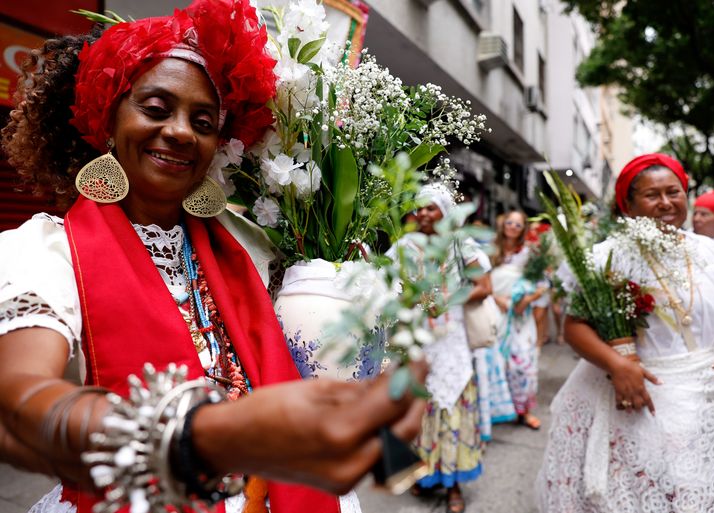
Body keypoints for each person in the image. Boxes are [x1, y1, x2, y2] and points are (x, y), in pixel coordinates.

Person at [0, 2, 425, 513]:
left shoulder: (249, 245)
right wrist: (198, 436)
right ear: (108, 120)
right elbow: (19, 404)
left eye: (203, 122)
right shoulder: (46, 249)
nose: (181, 131)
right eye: (156, 109)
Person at [537, 153, 714, 512]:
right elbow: (574, 326)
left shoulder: (709, 251)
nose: (665, 203)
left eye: (673, 192)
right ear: (628, 205)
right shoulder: (607, 257)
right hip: (640, 400)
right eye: (652, 195)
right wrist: (618, 365)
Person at [396, 184, 489, 513]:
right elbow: (392, 286)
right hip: (420, 339)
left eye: (431, 207)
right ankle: (424, 474)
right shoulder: (405, 246)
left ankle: (454, 485)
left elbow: (484, 286)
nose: (423, 213)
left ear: (445, 212)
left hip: (452, 340)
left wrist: (448, 300)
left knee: (453, 408)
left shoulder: (461, 243)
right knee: (421, 409)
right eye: (419, 207)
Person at [491, 210, 546, 430]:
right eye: (510, 222)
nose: (513, 227)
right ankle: (500, 408)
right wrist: (496, 299)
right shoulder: (491, 250)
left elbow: (542, 285)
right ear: (503, 223)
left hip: (520, 317)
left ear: (523, 229)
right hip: (494, 312)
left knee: (523, 362)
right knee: (496, 361)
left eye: (518, 224)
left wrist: (525, 300)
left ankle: (525, 410)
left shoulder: (529, 253)